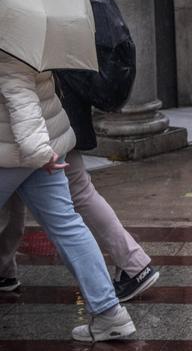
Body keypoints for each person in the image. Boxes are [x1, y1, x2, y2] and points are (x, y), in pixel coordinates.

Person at [0, 52, 136, 341]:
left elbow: (20, 96)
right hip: (43, 141)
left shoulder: (6, 41)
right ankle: (109, 314)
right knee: (68, 226)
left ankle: (110, 313)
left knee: (67, 226)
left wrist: (40, 153)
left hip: (19, 150)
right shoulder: (28, 37)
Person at [0, 72, 160, 302]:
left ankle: (128, 271)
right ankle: (5, 269)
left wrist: (40, 152)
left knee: (75, 200)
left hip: (43, 129)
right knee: (58, 203)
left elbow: (19, 92)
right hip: (45, 125)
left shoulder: (16, 57)